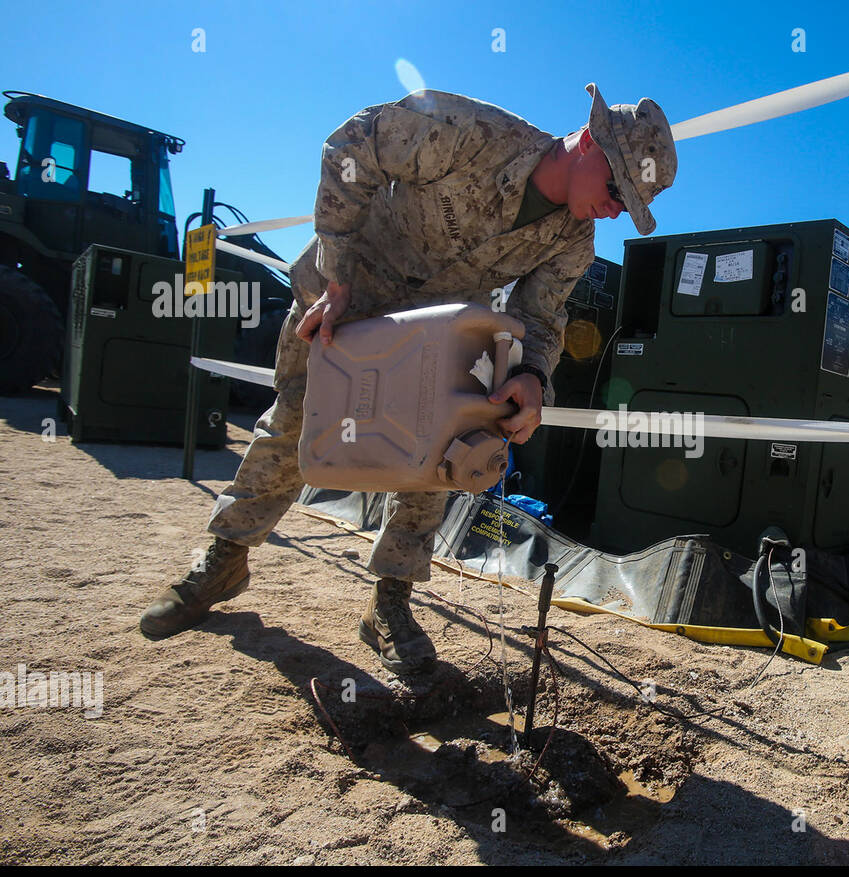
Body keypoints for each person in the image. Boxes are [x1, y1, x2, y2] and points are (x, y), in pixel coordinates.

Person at [139, 83, 677, 675]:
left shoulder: (572, 242)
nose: (616, 208)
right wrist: (338, 276)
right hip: (348, 296)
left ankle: (390, 603)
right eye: (616, 189)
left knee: (442, 453)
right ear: (586, 143)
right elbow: (351, 150)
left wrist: (530, 379)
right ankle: (224, 559)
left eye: (629, 204)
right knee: (297, 422)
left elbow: (541, 320)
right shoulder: (471, 133)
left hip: (433, 339)